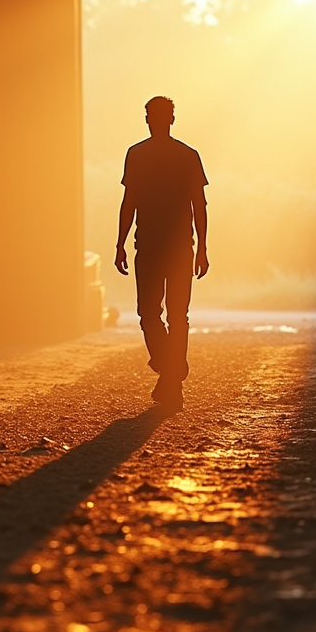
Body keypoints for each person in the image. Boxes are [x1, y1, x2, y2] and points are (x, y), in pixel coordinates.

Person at [114, 96, 209, 407]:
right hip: (182, 246)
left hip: (149, 247)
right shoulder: (188, 156)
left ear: (147, 119)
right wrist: (202, 248)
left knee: (149, 315)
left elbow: (129, 203)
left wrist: (120, 244)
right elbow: (199, 206)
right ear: (172, 119)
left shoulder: (136, 155)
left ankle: (169, 374)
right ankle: (172, 373)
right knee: (178, 315)